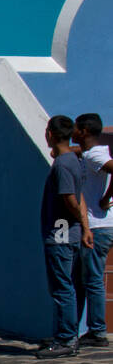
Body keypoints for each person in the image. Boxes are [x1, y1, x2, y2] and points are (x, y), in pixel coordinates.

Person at [38, 115, 94, 359]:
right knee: (65, 286)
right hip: (69, 232)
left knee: (62, 288)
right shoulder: (73, 160)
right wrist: (86, 227)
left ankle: (66, 339)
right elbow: (79, 197)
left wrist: (84, 225)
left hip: (60, 234)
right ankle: (64, 334)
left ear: (51, 134)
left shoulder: (62, 164)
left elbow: (70, 199)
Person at [74, 112, 112, 347]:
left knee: (93, 280)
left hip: (97, 226)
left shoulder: (97, 154)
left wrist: (106, 197)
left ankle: (97, 331)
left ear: (85, 131)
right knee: (85, 278)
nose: (73, 133)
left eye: (76, 129)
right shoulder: (90, 154)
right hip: (97, 226)